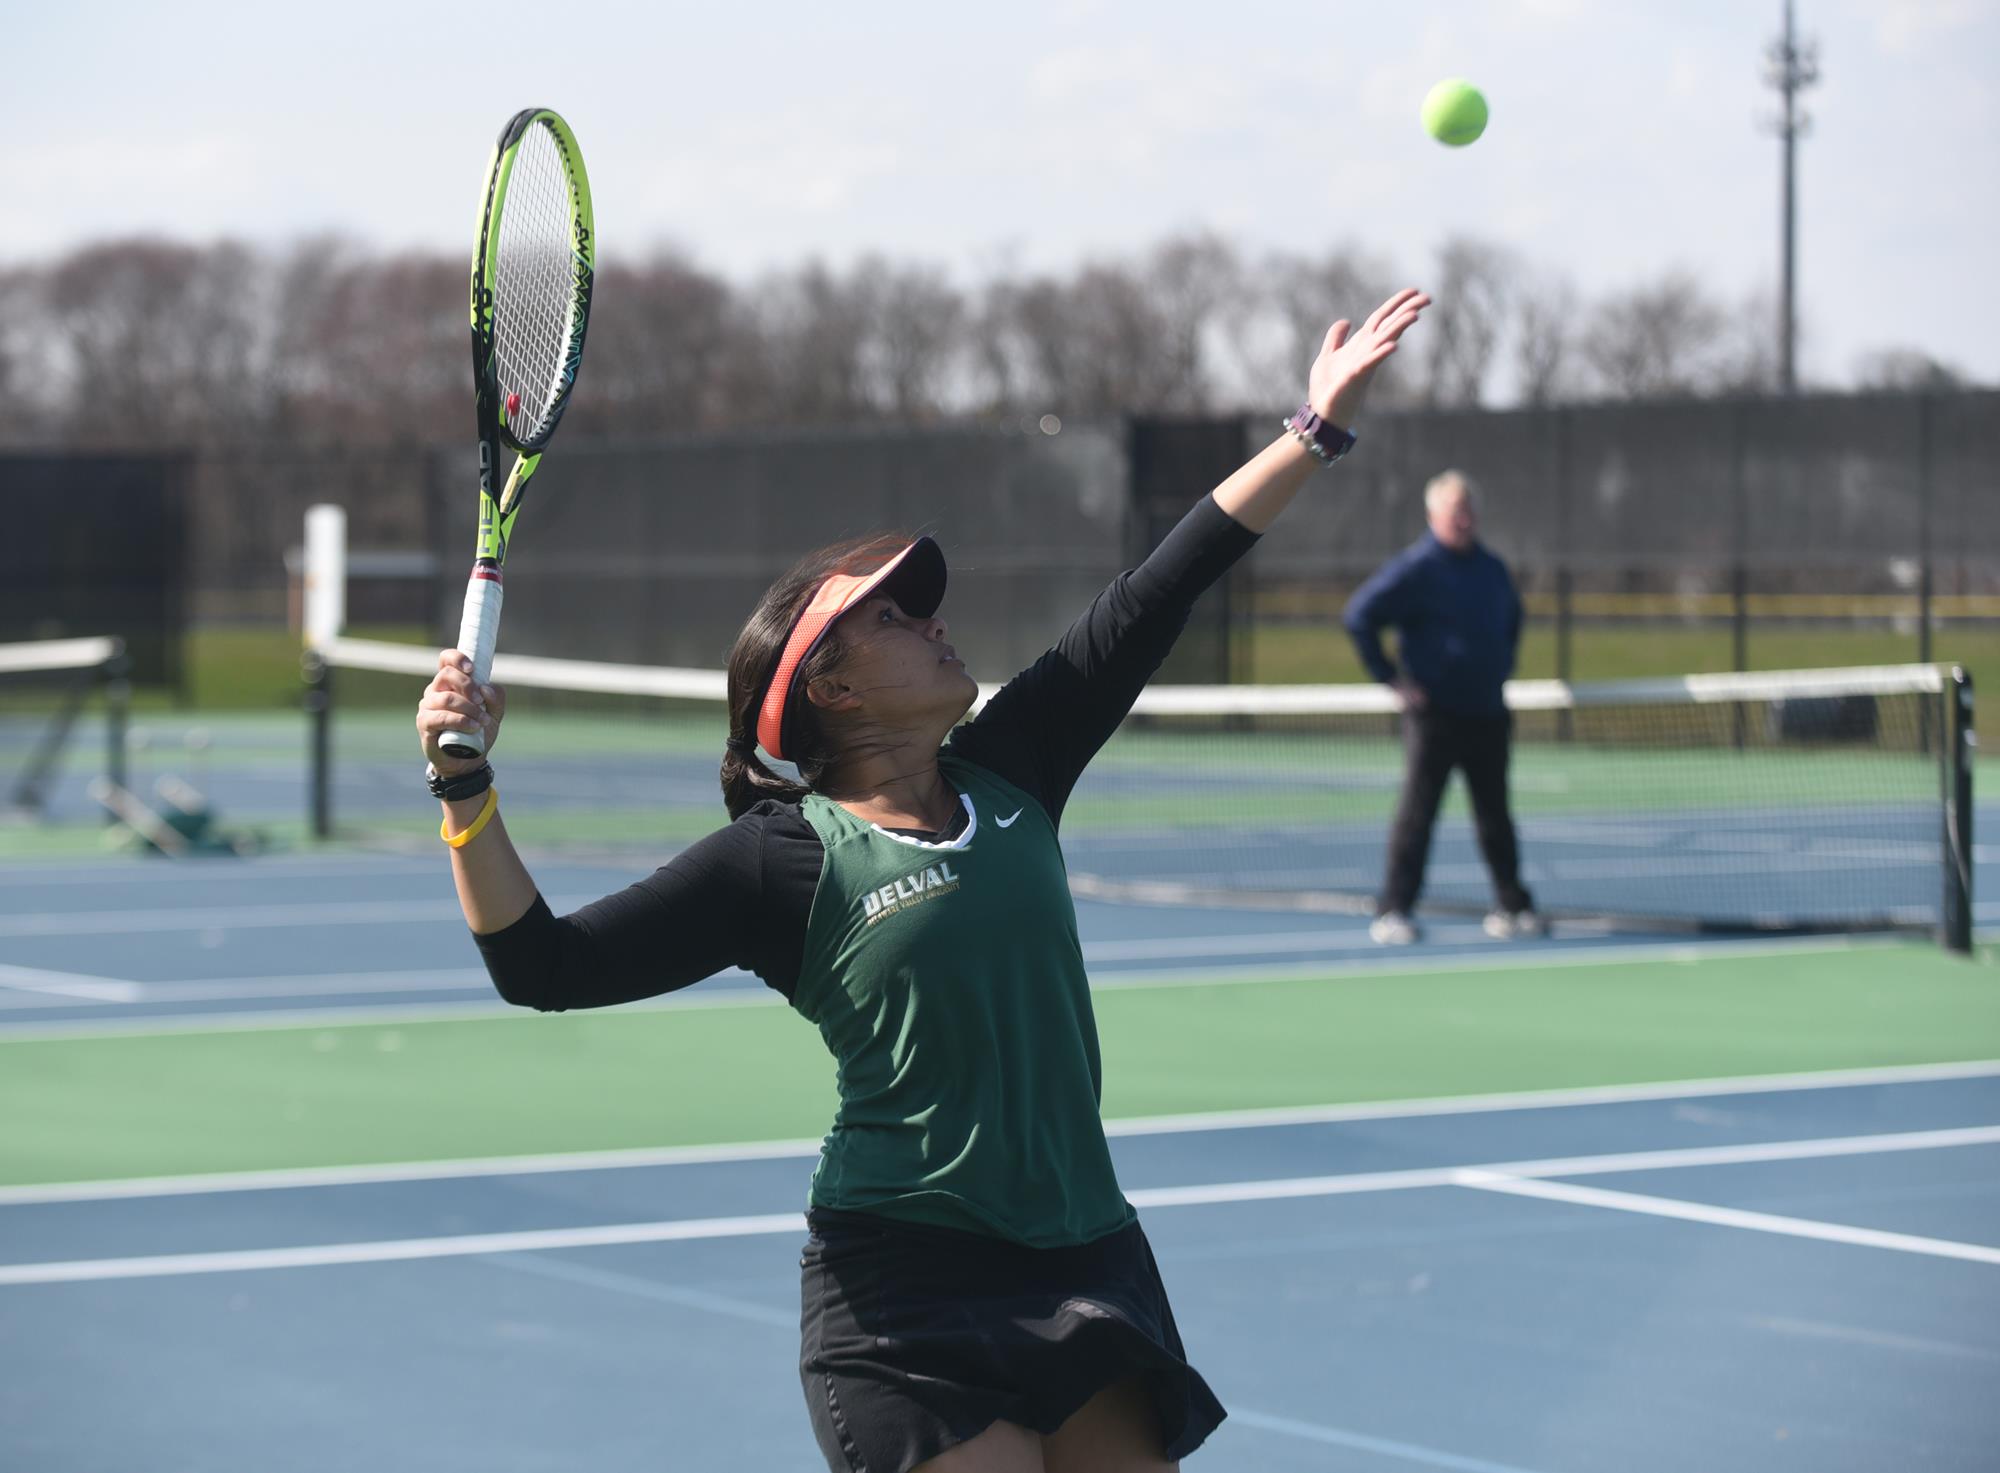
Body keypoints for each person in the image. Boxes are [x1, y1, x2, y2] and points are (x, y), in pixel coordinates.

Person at [417, 289, 1431, 1473]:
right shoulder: (781, 858)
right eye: (895, 618)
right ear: (831, 689)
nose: (936, 626)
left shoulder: (1012, 766)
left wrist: (1311, 426)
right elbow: (543, 967)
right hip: (906, 1288)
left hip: (1083, 1249)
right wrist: (464, 793)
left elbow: (1160, 587)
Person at [1342, 470, 1541, 946]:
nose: (1465, 521)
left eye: (1470, 512)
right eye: (1456, 513)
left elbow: (1511, 620)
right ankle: (1394, 909)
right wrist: (1392, 679)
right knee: (1418, 814)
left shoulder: (1492, 569)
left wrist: (1499, 668)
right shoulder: (1416, 569)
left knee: (1495, 815)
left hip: (1488, 713)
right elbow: (1359, 616)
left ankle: (1511, 905)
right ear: (1434, 516)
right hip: (1435, 719)